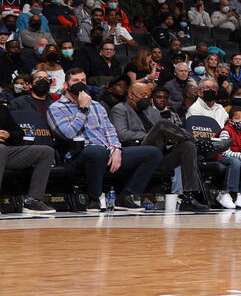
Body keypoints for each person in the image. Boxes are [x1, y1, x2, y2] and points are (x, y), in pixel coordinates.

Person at [47, 67, 161, 212]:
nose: (80, 83)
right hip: (78, 155)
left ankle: (126, 196)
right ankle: (94, 199)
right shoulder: (56, 108)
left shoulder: (97, 106)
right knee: (97, 151)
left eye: (83, 80)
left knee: (153, 153)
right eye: (75, 81)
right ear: (66, 85)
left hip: (107, 152)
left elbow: (110, 131)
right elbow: (67, 134)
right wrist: (82, 109)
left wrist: (116, 149)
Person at [108, 80, 209, 212]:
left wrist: (168, 138)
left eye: (148, 96)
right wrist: (152, 134)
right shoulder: (119, 109)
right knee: (161, 125)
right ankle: (200, 142)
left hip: (160, 154)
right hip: (137, 151)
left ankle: (188, 198)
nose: (146, 99)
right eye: (143, 95)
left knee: (188, 146)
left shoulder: (152, 112)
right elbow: (122, 134)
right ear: (132, 95)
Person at [0, 94, 56, 215]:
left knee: (46, 151)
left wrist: (8, 134)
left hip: (6, 152)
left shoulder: (2, 109)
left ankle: (33, 200)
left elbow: (19, 133)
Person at [215, 105, 241, 209]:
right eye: (237, 118)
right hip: (220, 157)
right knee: (236, 162)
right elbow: (225, 152)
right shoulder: (226, 131)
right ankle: (225, 193)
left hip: (235, 156)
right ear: (230, 121)